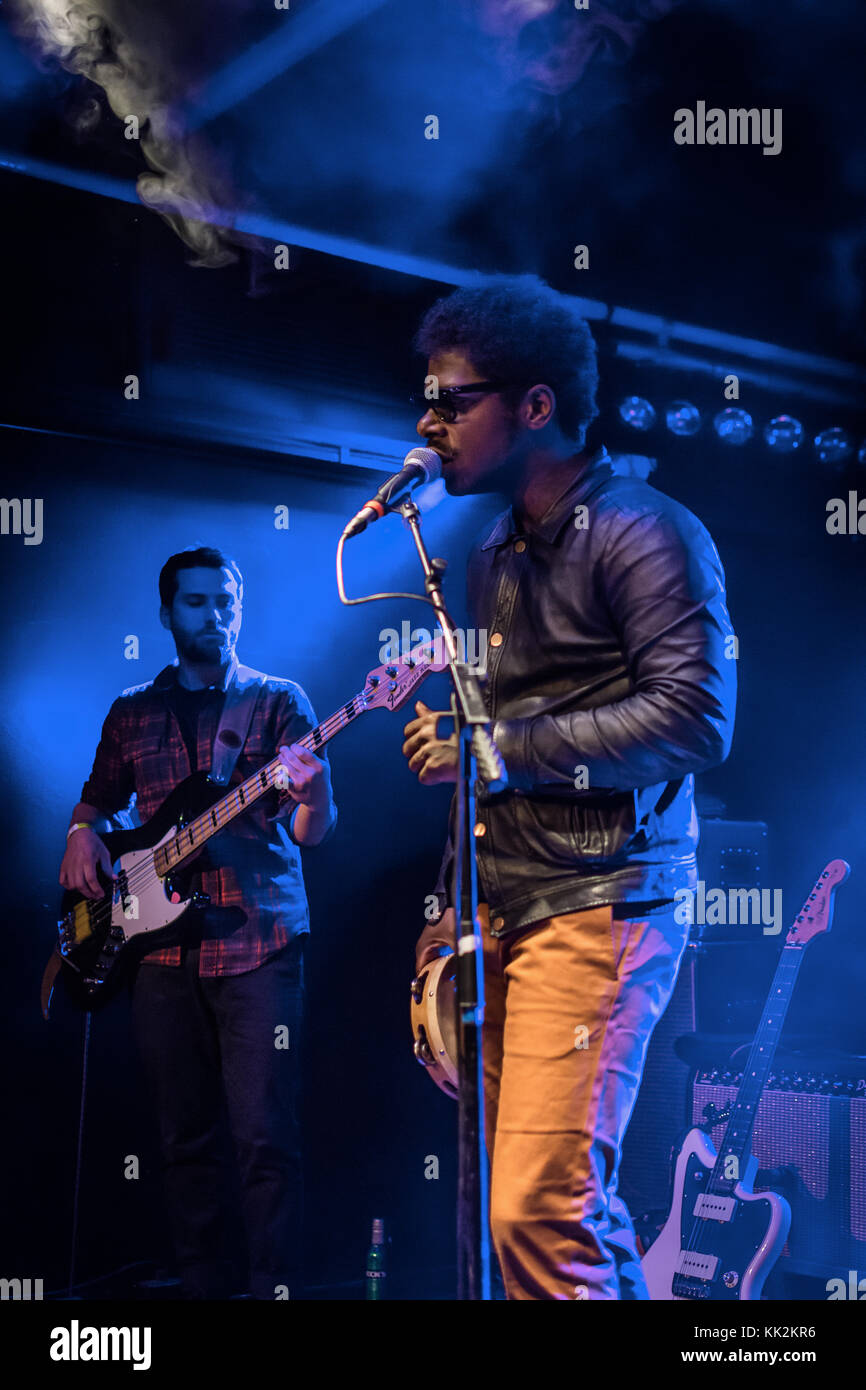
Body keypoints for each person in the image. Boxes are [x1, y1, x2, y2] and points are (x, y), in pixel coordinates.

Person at [401, 275, 737, 1300]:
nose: (427, 420)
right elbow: (479, 759)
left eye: (453, 399)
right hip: (502, 910)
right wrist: (442, 927)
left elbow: (695, 718)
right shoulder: (491, 553)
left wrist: (497, 746)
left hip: (602, 904)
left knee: (538, 1213)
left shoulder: (646, 530)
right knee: (527, 1218)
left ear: (535, 406)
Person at [59, 545, 337, 1300]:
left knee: (264, 1140)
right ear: (166, 613)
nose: (215, 615)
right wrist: (81, 832)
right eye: (197, 603)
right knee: (184, 1144)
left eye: (226, 600)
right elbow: (98, 800)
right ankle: (206, 1291)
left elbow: (313, 831)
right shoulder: (132, 711)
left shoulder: (279, 702)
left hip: (260, 945)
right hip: (157, 956)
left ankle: (276, 1290)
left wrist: (315, 792)